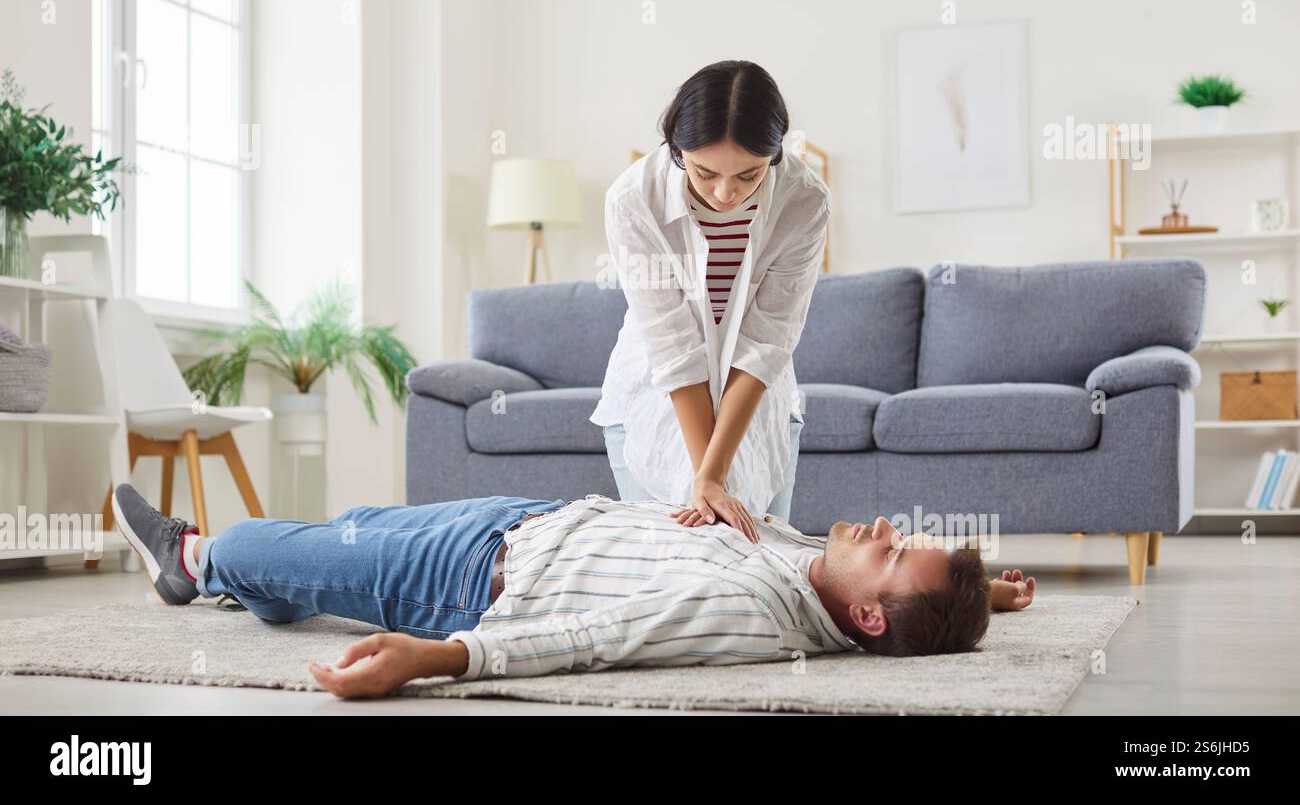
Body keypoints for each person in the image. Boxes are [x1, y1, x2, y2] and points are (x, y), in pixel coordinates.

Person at [110, 483, 1035, 700]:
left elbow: (597, 640)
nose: (882, 528)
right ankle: (268, 586)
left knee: (257, 542)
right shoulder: (817, 577)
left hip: (468, 582)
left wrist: (436, 658)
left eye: (891, 553)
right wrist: (976, 596)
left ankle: (191, 561)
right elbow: (891, 603)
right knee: (346, 528)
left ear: (866, 615)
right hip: (529, 518)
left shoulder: (749, 614)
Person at [592, 60, 831, 541]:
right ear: (676, 149)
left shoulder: (804, 201)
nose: (725, 193)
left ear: (774, 155)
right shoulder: (633, 200)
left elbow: (765, 342)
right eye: (704, 173)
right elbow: (674, 347)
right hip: (657, 396)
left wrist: (713, 474)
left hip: (756, 404)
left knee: (768, 561)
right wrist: (708, 480)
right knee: (669, 564)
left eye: (749, 174)